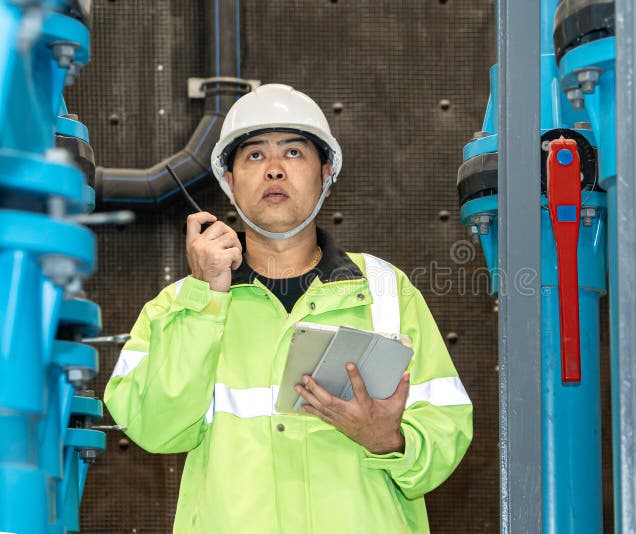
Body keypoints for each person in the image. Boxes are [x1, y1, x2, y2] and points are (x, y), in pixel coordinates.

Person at [104, 84, 473, 533]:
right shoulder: (182, 303)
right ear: (229, 182)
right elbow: (156, 428)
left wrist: (389, 442)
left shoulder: (386, 291)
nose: (274, 170)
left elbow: (446, 426)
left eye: (294, 153)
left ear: (327, 174)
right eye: (254, 156)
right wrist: (207, 301)